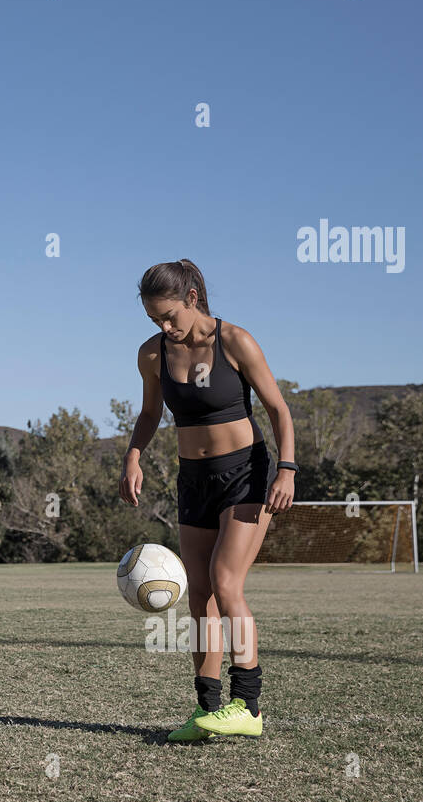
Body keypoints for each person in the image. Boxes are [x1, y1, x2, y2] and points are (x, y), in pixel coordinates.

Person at [121, 259, 296, 741]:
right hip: (193, 478)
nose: (165, 326)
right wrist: (132, 457)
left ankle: (249, 707)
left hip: (245, 473)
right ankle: (206, 711)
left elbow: (278, 409)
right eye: (155, 319)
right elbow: (151, 411)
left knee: (225, 582)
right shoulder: (153, 354)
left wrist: (287, 469)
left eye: (170, 316)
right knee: (199, 595)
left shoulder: (236, 341)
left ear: (192, 299)